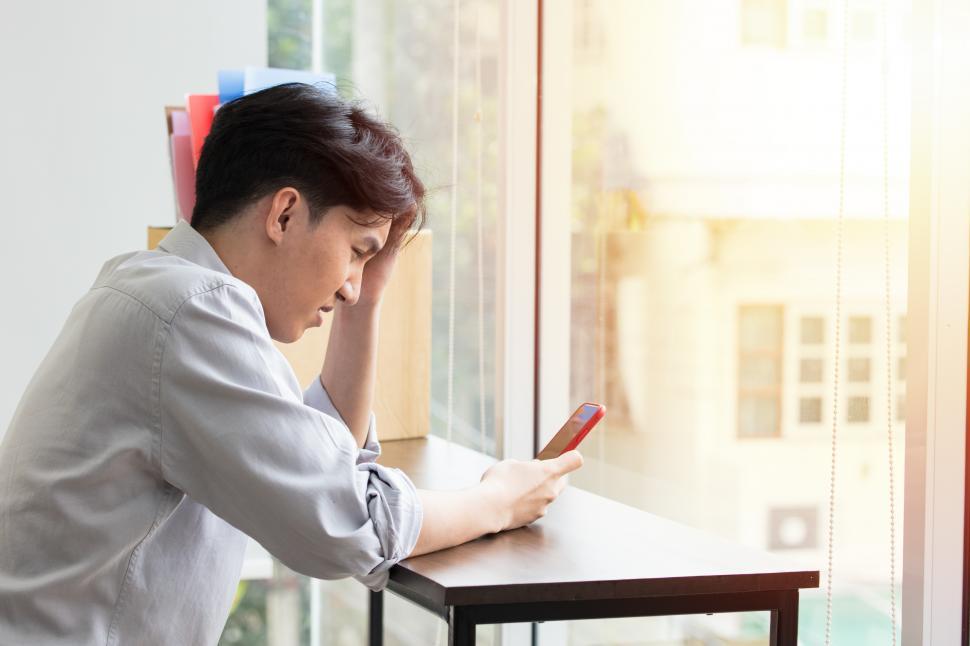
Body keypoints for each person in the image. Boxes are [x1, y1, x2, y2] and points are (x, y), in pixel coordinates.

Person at [0, 83, 583, 644]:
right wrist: (497, 501)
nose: (353, 287)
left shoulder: (152, 287)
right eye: (357, 252)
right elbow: (346, 524)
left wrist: (368, 299)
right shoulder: (193, 312)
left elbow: (328, 463)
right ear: (283, 215)